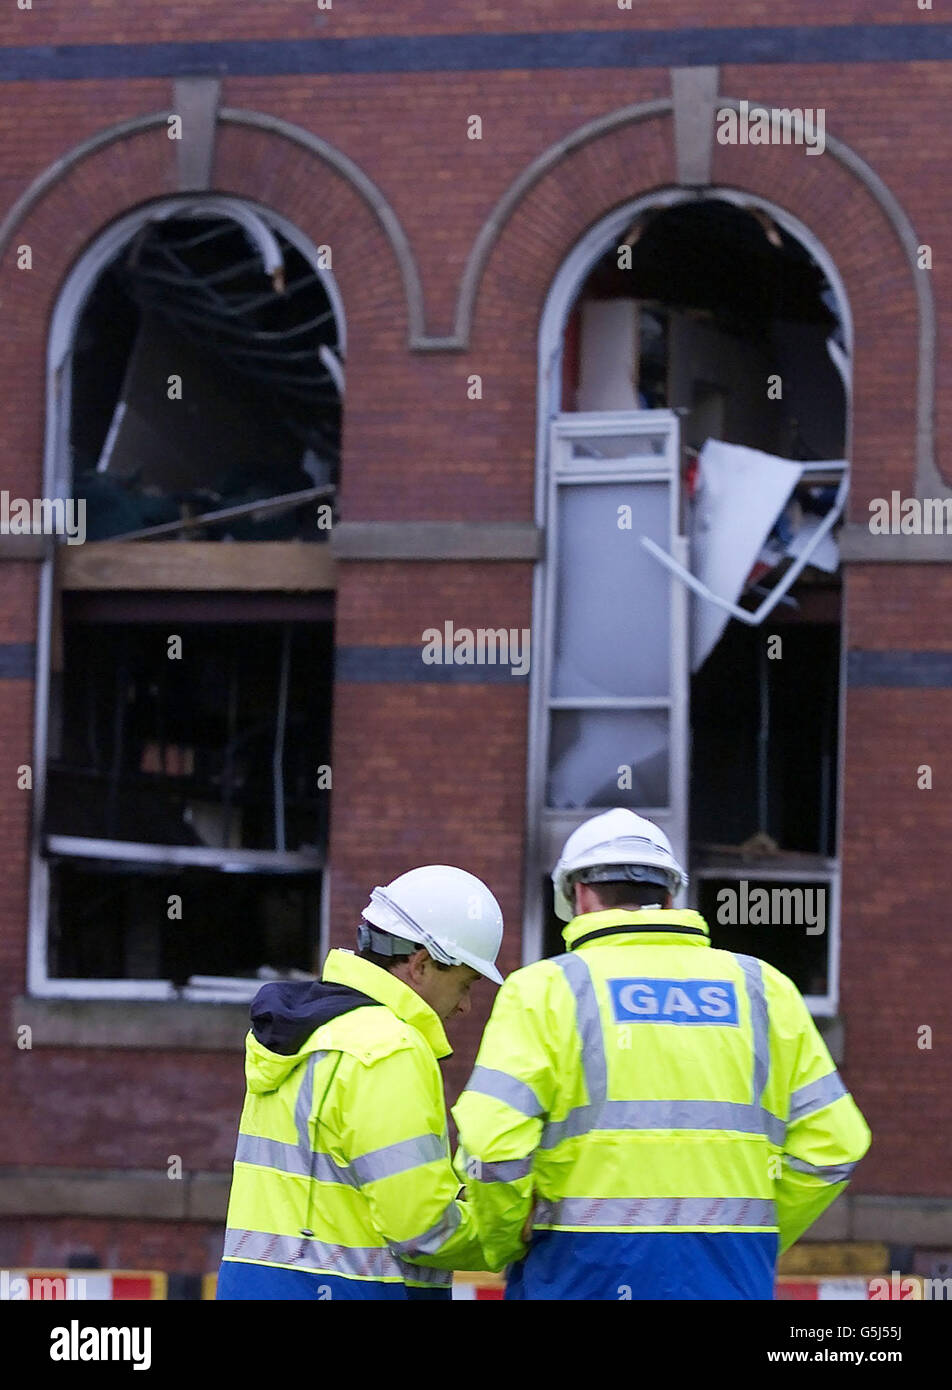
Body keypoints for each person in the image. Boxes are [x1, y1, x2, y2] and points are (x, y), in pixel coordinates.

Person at [452, 808, 871, 1300]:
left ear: (579, 895)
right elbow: (836, 1145)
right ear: (671, 896)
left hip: (578, 1276)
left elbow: (491, 1146)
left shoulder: (544, 990)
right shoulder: (764, 989)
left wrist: (504, 1239)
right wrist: (755, 1231)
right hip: (728, 1278)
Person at [217, 864, 504, 1300]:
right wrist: (513, 1231)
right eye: (465, 984)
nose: (465, 1006)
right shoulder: (389, 1049)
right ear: (421, 965)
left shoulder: (308, 1034)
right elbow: (422, 1229)